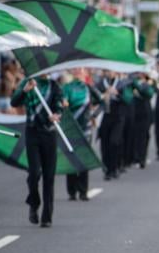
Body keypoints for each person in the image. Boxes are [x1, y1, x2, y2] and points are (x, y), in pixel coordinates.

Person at [11, 75, 65, 227]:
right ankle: (34, 203)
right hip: (32, 132)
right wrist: (25, 91)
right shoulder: (27, 82)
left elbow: (60, 103)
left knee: (49, 176)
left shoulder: (53, 85)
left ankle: (47, 217)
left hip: (49, 133)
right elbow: (14, 102)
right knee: (34, 173)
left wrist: (57, 114)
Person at [63, 69, 100, 200]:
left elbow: (101, 101)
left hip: (86, 128)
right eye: (76, 70)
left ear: (86, 73)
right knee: (72, 159)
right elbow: (63, 103)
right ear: (72, 72)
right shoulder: (67, 87)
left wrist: (93, 115)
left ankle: (83, 191)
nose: (79, 72)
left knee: (84, 159)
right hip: (71, 128)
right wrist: (64, 104)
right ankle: (71, 192)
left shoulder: (89, 88)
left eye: (81, 70)